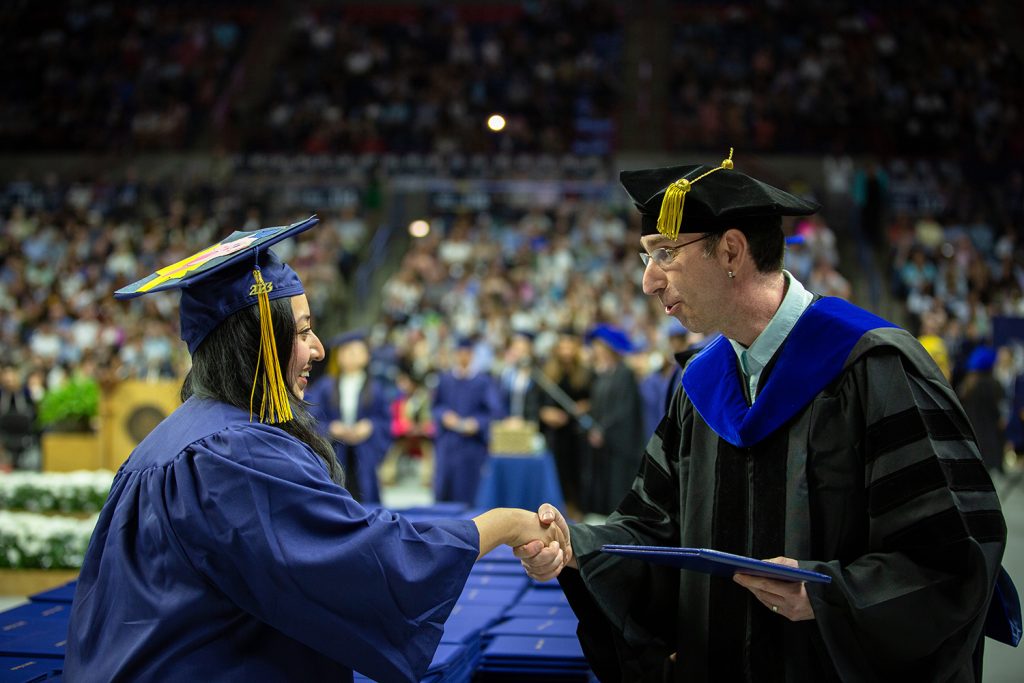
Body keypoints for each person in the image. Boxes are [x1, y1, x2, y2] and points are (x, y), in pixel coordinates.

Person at [517, 154, 1009, 681]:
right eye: (645, 258)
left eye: (664, 253)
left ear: (731, 250)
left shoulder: (874, 369)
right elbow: (655, 530)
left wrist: (831, 595)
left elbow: (952, 558)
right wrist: (579, 547)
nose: (649, 282)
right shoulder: (699, 386)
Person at [64, 217, 569, 682]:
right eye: (303, 330)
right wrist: (503, 524)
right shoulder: (233, 451)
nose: (319, 348)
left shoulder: (170, 441)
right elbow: (362, 563)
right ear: (259, 340)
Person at [306, 330, 393, 503]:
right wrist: (330, 428)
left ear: (367, 356)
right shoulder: (325, 387)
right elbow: (311, 416)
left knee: (365, 497)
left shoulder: (375, 389)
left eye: (357, 351)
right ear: (339, 357)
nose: (352, 356)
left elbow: (385, 420)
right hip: (336, 451)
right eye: (347, 351)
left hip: (364, 455)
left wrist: (370, 426)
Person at [582, 323, 645, 516]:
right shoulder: (602, 375)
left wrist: (603, 430)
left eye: (600, 347)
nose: (596, 351)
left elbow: (624, 410)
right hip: (604, 445)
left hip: (620, 445)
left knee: (619, 485)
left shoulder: (624, 374)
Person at [431, 337, 502, 505]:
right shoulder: (445, 379)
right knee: (444, 489)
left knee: (470, 490)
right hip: (448, 443)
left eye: (467, 353)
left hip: (472, 445)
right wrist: (444, 415)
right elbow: (436, 406)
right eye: (459, 353)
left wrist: (477, 423)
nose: (463, 357)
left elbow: (495, 411)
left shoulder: (483, 382)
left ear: (472, 355)